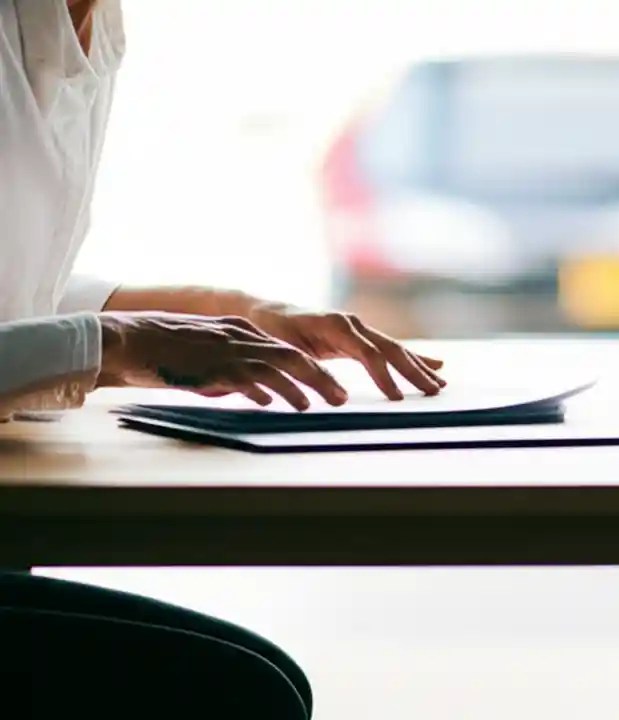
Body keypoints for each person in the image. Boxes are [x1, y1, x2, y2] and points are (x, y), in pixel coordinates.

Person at [1, 2, 442, 717]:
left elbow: (17, 294)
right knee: (246, 694)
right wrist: (123, 345)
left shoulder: (89, 27)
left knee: (266, 677)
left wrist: (234, 312)